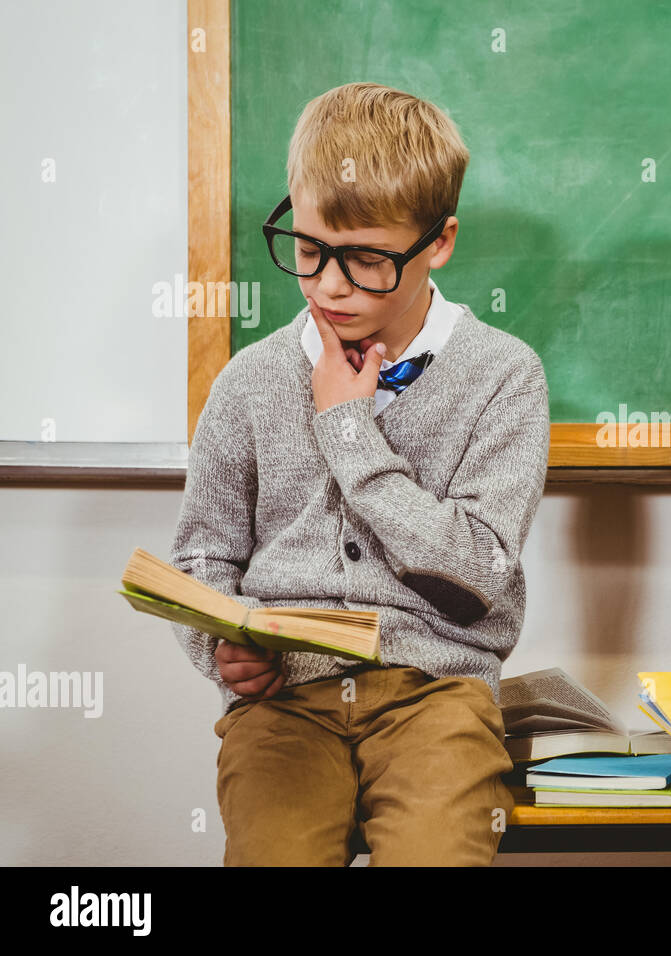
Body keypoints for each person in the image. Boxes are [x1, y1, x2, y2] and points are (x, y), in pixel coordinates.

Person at [169, 82, 550, 865]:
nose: (330, 286)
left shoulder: (505, 376)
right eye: (308, 251)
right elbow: (204, 557)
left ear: (438, 242)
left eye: (367, 260)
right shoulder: (249, 379)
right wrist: (221, 647)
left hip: (437, 693)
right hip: (286, 703)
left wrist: (349, 430)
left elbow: (476, 569)